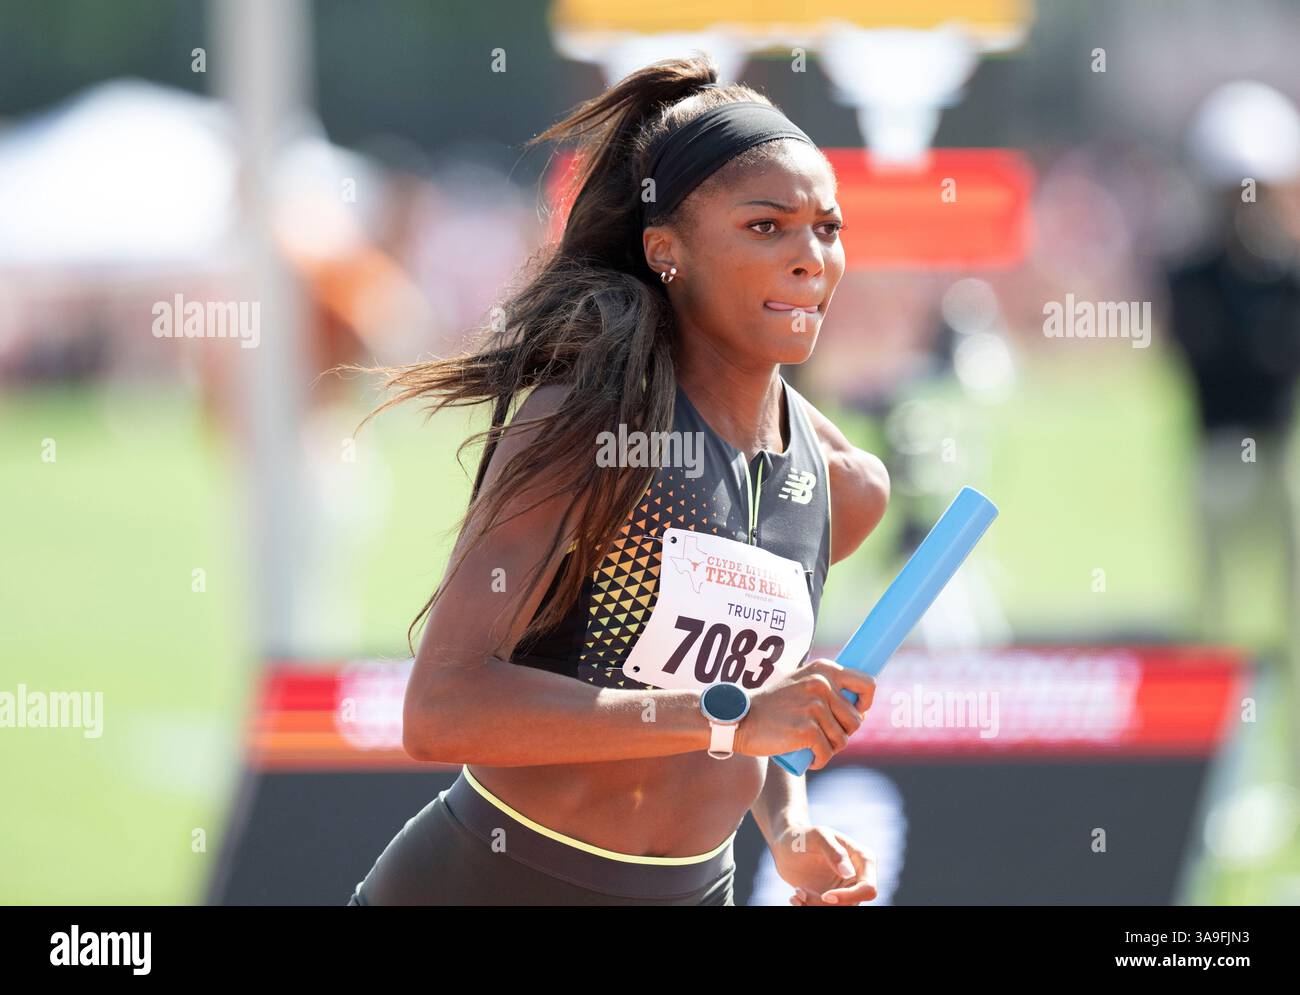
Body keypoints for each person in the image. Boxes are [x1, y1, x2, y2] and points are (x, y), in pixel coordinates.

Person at [343, 54, 891, 906]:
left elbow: (756, 678)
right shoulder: (596, 427)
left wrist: (787, 825)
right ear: (665, 250)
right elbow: (440, 708)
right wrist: (728, 716)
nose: (810, 257)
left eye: (828, 226)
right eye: (765, 226)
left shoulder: (844, 485)